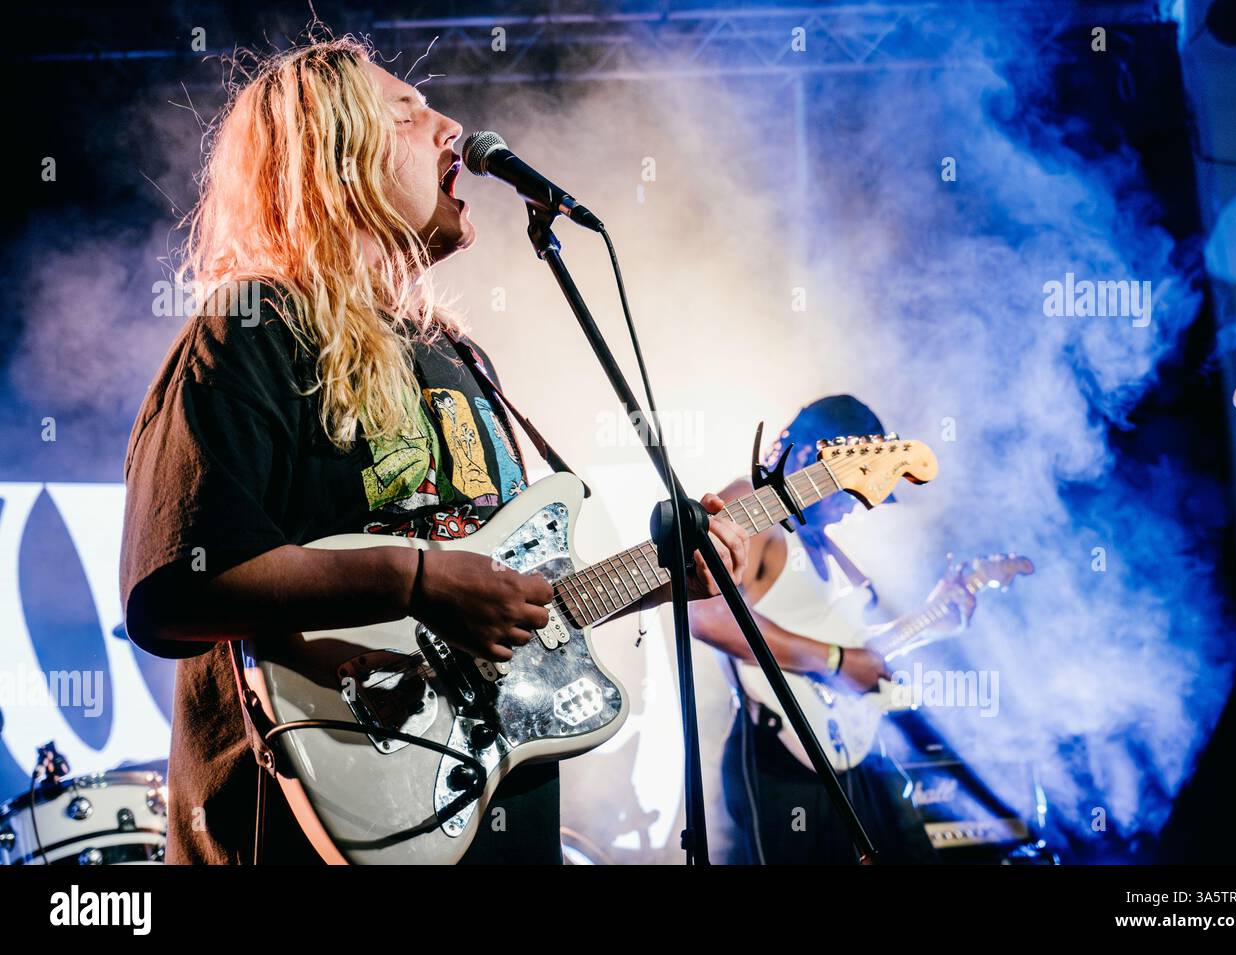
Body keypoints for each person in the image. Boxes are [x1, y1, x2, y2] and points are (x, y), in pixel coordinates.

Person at [119, 36, 747, 865]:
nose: (452, 125)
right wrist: (414, 579)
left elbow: (506, 600)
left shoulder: (458, 354)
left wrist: (666, 583)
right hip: (308, 827)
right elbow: (170, 587)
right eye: (409, 113)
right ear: (335, 157)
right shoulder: (252, 328)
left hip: (490, 818)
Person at [689, 395, 977, 864]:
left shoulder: (817, 539)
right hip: (782, 760)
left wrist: (931, 620)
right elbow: (709, 617)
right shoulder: (753, 503)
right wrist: (838, 660)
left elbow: (855, 653)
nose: (858, 507)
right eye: (853, 489)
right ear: (810, 459)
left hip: (850, 745)